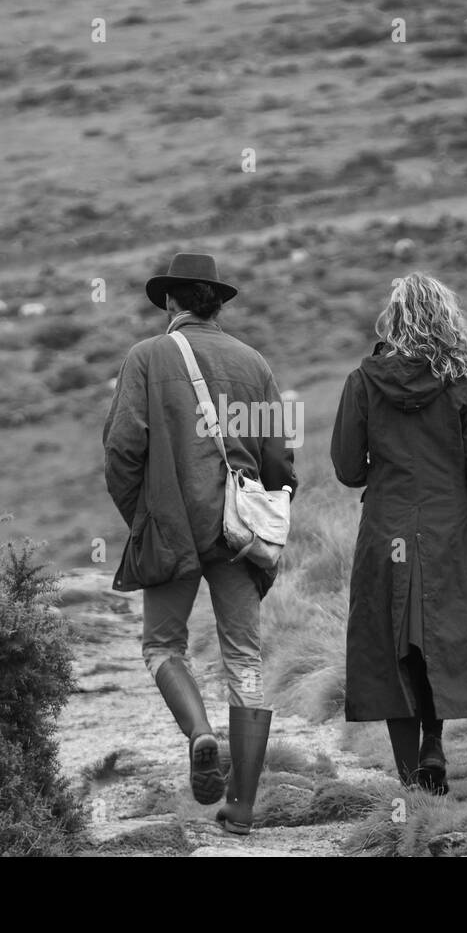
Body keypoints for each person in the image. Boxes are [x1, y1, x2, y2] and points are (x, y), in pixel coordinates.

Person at [103, 252, 299, 834]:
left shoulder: (145, 357)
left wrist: (141, 515)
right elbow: (278, 460)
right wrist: (265, 507)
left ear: (170, 301)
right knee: (245, 659)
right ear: (216, 302)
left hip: (171, 525)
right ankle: (240, 809)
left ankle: (200, 734)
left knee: (163, 647)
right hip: (239, 532)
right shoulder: (253, 362)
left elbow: (122, 450)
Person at [330, 272, 467, 795]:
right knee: (440, 638)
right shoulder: (465, 381)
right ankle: (434, 744)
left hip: (387, 527)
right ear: (444, 317)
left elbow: (346, 467)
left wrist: (380, 466)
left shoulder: (363, 381)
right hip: (448, 528)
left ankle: (411, 778)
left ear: (394, 319)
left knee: (393, 647)